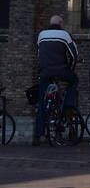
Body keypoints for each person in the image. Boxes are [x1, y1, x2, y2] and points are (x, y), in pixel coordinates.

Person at [33, 14, 79, 144]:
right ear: (60, 23)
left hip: (45, 72)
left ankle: (37, 135)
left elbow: (39, 54)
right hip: (61, 70)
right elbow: (74, 55)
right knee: (74, 80)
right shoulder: (64, 34)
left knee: (42, 103)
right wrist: (70, 68)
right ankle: (68, 106)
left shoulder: (41, 35)